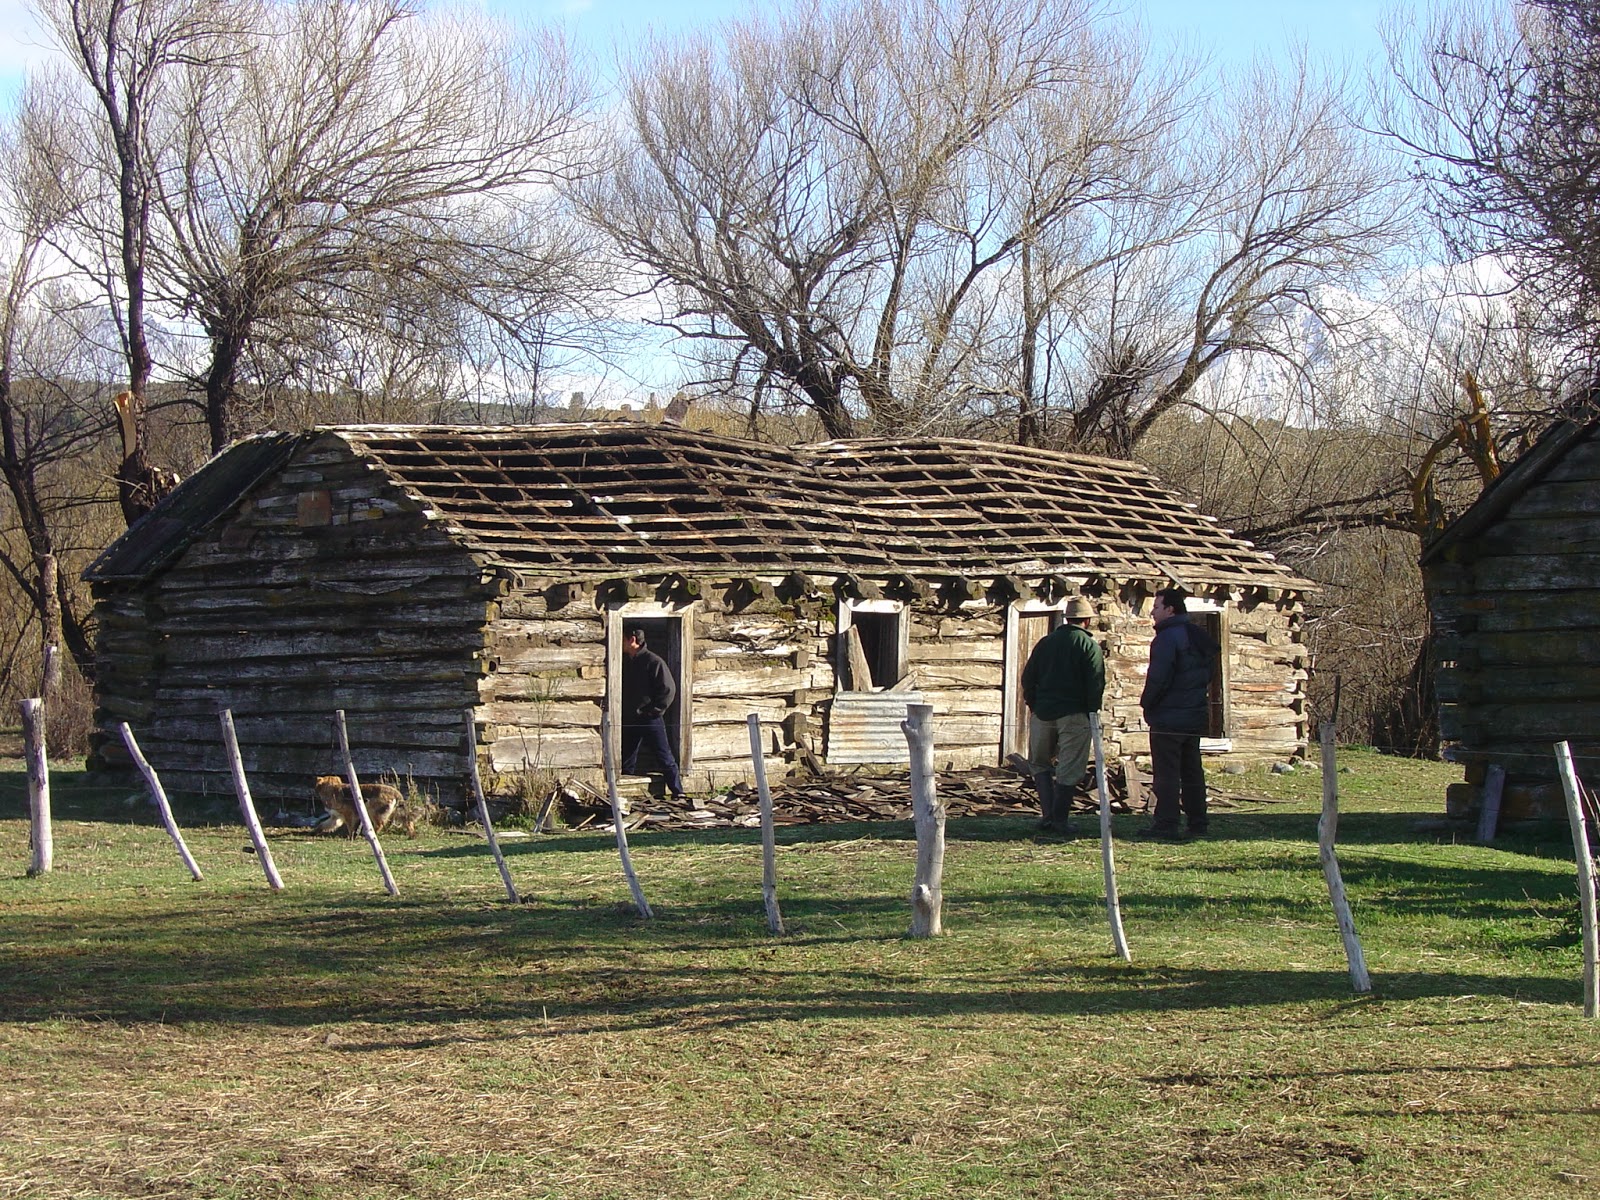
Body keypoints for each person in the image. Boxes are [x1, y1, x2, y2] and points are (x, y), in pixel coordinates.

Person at [1019, 596, 1105, 835]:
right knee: (1070, 765)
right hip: (1075, 714)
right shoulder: (1089, 646)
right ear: (1087, 621)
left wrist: (1034, 705)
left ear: (1067, 619)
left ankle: (1048, 816)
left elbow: (1028, 678)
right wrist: (1092, 712)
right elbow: (1096, 683)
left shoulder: (1045, 643)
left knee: (1039, 763)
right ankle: (1059, 819)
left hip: (1043, 713)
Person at [1137, 588, 1219, 841]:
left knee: (1167, 772)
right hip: (1193, 715)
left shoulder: (1167, 638)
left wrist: (1147, 703)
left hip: (1169, 717)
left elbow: (1158, 678)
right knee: (1192, 770)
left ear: (1170, 609)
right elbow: (1209, 673)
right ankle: (1198, 822)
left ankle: (1167, 822)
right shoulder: (1197, 635)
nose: (1152, 612)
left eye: (1157, 607)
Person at [619, 626, 685, 800]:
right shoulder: (626, 661)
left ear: (632, 640)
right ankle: (626, 794)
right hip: (631, 718)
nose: (620, 643)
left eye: (623, 639)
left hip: (650, 718)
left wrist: (654, 711)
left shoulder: (653, 661)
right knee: (627, 756)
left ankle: (678, 792)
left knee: (664, 755)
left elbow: (668, 689)